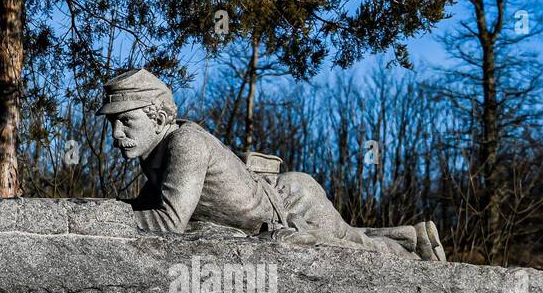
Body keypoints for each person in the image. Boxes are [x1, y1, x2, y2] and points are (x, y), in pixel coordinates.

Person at [99, 68, 445, 261]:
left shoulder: (184, 142)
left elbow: (168, 222)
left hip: (292, 204)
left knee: (359, 247)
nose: (116, 133)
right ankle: (413, 235)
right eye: (112, 123)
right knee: (351, 234)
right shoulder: (157, 156)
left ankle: (414, 253)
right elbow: (143, 210)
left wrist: (95, 218)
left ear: (158, 117)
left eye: (125, 121)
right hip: (278, 206)